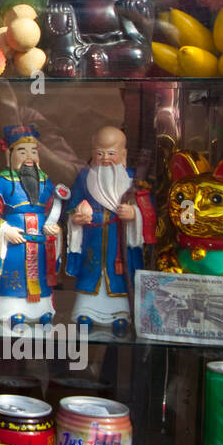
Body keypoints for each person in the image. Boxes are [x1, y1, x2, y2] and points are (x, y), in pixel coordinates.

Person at [63, 126, 155, 337]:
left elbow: (149, 211)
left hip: (119, 240)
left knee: (120, 277)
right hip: (92, 241)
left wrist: (134, 214)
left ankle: (121, 312)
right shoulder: (85, 177)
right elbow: (72, 205)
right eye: (100, 153)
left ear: (123, 154)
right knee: (91, 274)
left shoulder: (134, 179)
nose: (105, 159)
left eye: (111, 153)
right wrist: (76, 217)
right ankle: (85, 309)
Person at [0, 124, 65, 328]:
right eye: (22, 150)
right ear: (9, 154)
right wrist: (4, 229)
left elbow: (53, 210)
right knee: (14, 278)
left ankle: (42, 309)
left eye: (33, 151)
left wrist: (56, 228)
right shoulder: (1, 182)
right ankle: (12, 309)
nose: (29, 156)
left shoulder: (45, 181)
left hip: (41, 243)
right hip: (15, 244)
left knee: (41, 278)